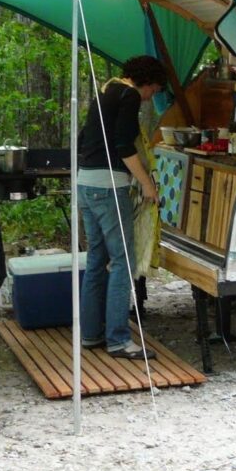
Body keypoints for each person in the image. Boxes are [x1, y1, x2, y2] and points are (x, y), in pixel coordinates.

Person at [76, 55, 167, 359]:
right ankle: (117, 339)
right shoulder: (128, 95)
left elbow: (84, 138)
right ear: (147, 82)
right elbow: (123, 146)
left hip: (85, 183)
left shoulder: (106, 90)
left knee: (96, 259)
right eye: (152, 91)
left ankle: (90, 334)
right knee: (123, 262)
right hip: (108, 187)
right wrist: (147, 183)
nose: (149, 98)